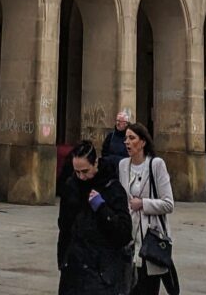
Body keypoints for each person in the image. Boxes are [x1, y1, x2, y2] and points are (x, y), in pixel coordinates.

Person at [57, 140, 133, 295]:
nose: (81, 177)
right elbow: (64, 227)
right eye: (77, 172)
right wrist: (63, 260)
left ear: (96, 163)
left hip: (102, 271)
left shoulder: (112, 188)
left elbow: (124, 232)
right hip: (74, 269)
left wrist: (102, 208)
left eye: (85, 171)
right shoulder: (72, 186)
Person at [119, 121, 175, 292]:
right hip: (128, 240)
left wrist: (143, 203)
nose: (127, 142)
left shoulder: (156, 165)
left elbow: (168, 203)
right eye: (126, 138)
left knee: (147, 288)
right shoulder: (123, 165)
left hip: (149, 242)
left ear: (142, 142)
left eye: (132, 138)